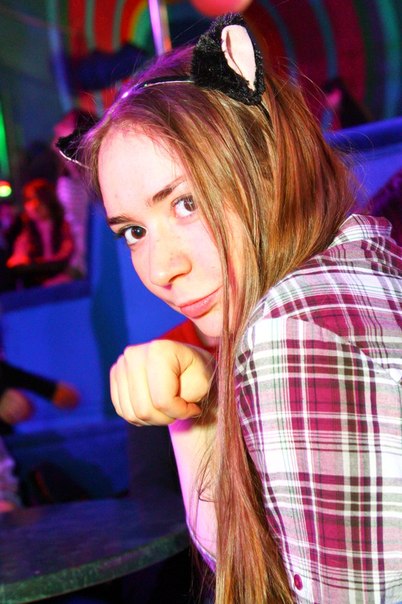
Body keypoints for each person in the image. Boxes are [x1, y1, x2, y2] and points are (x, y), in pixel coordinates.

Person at [58, 14, 402, 604]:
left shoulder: (291, 325)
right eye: (134, 232)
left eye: (187, 202)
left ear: (267, 165)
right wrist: (195, 414)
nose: (161, 270)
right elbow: (254, 559)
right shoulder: (361, 259)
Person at [6, 178, 74, 287]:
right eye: (29, 200)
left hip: (62, 283)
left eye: (36, 199)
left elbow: (67, 255)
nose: (33, 205)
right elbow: (16, 259)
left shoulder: (63, 227)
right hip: (37, 285)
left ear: (47, 201)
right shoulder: (27, 231)